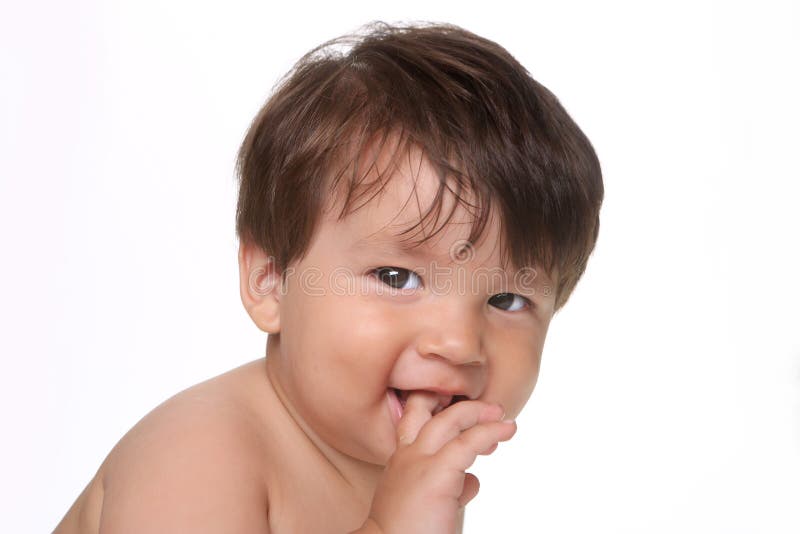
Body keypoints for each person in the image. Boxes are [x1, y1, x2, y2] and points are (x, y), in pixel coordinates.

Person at [54, 21, 603, 533]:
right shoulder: (199, 451)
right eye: (397, 277)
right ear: (271, 281)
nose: (460, 344)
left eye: (507, 299)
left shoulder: (411, 484)